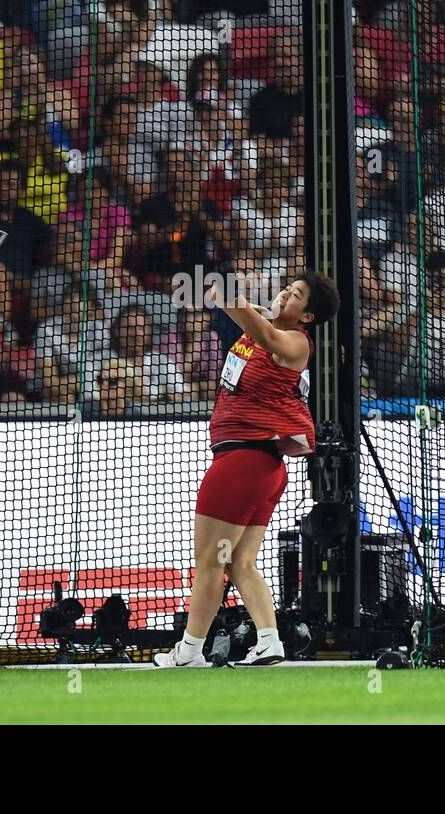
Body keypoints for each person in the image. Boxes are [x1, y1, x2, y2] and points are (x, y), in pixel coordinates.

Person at [154, 271, 339, 668]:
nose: (286, 294)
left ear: (306, 317)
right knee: (239, 562)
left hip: (243, 463)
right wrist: (239, 303)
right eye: (287, 288)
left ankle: (188, 652)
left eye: (296, 296)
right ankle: (270, 641)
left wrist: (231, 297)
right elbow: (250, 322)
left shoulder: (294, 343)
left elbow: (266, 335)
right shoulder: (264, 326)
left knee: (209, 562)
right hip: (261, 469)